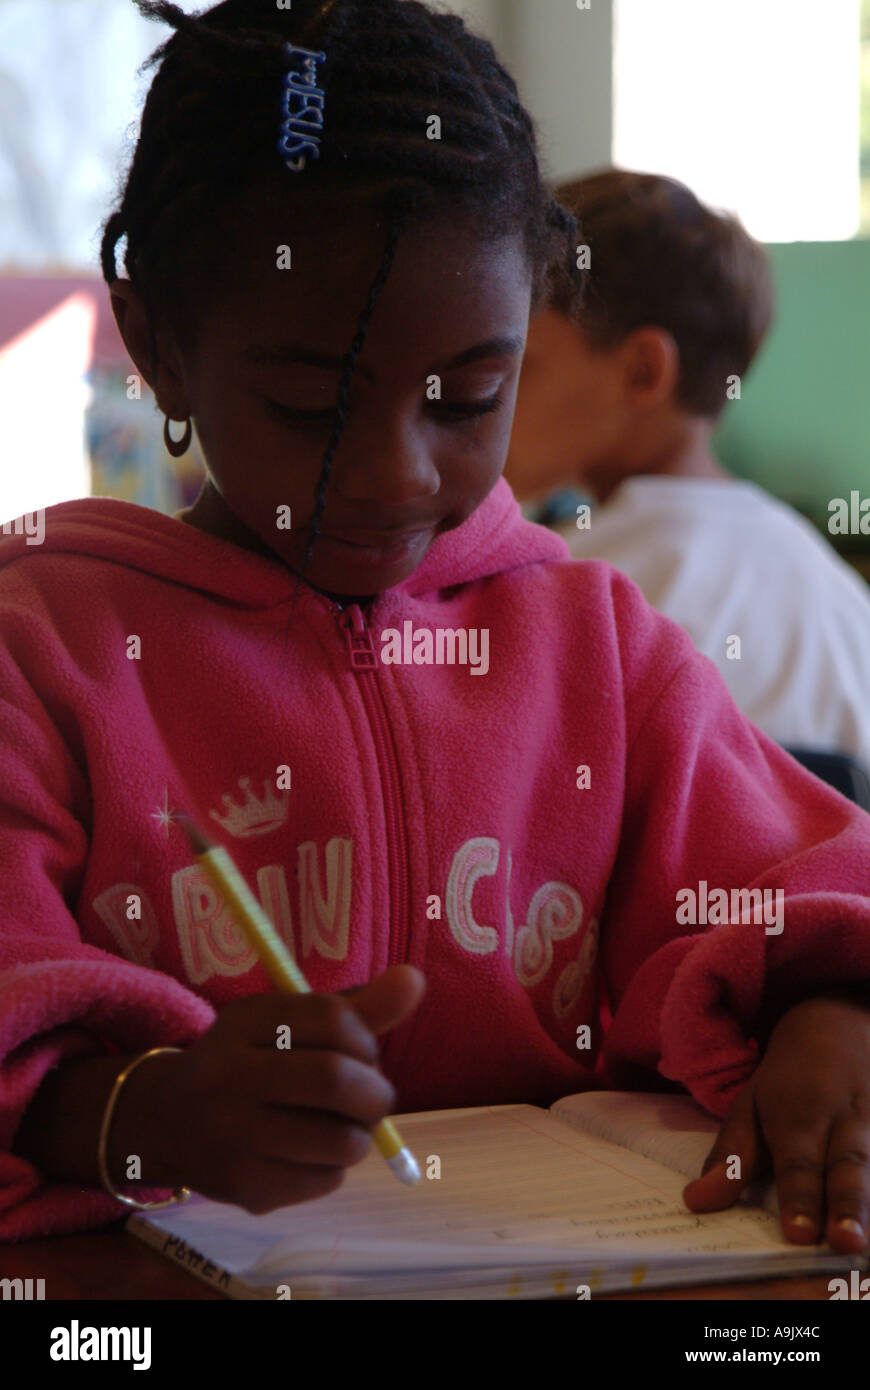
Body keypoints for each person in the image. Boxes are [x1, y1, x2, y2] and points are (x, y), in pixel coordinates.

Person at [2, 0, 870, 1257]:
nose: (397, 475)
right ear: (162, 350)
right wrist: (138, 1111)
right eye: (309, 402)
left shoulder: (599, 647)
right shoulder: (49, 650)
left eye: (469, 395)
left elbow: (806, 889)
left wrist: (832, 1016)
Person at [506, 168, 870, 766]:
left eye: (525, 365)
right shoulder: (834, 589)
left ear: (643, 372)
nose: (485, 402)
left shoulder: (576, 587)